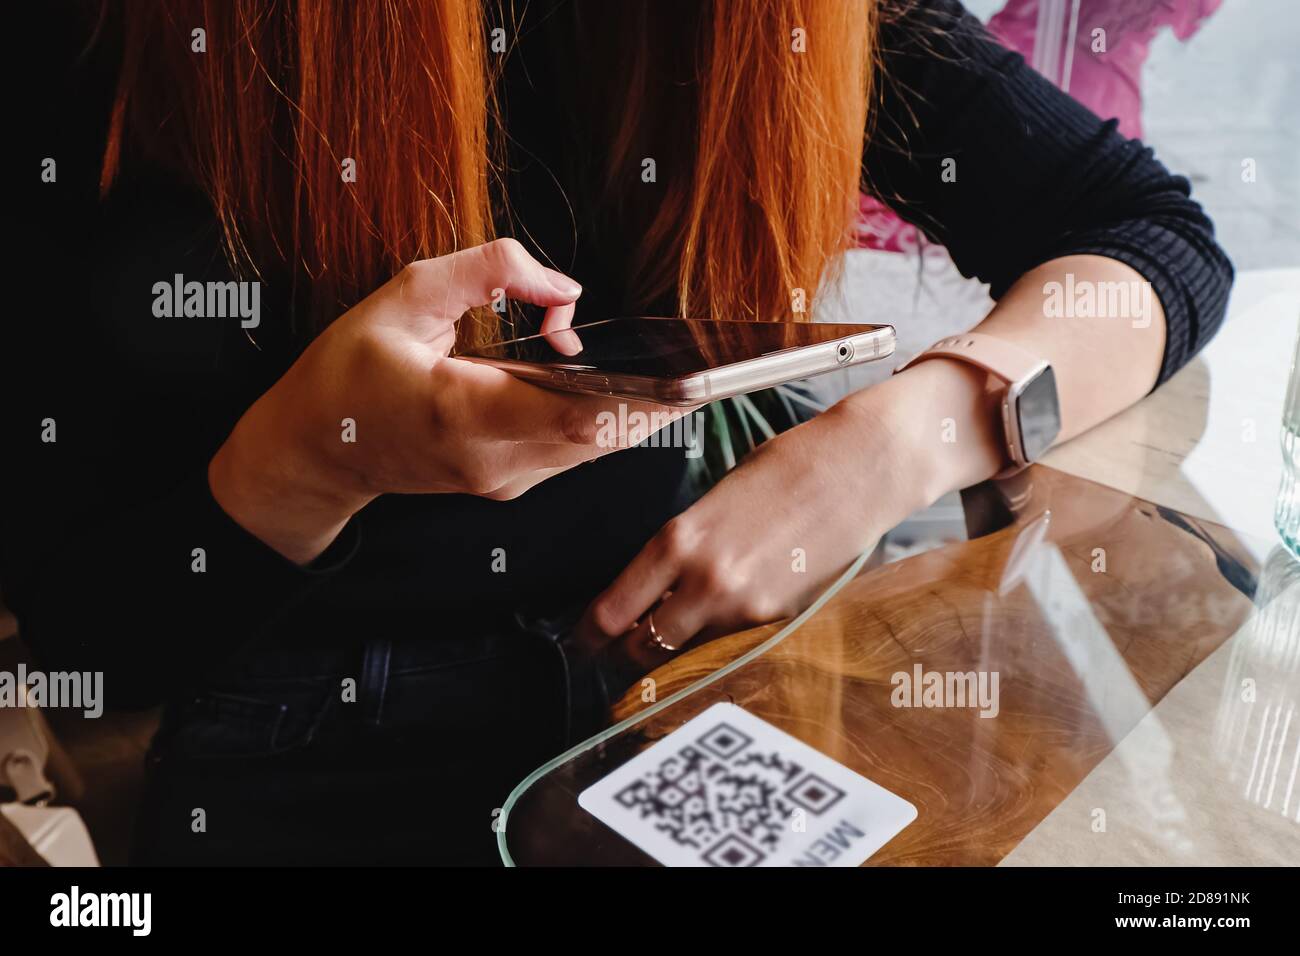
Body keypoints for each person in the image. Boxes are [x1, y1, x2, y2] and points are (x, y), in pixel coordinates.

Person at [6, 0, 1231, 864]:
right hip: (305, 724)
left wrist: (885, 442)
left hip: (714, 669)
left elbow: (1146, 239)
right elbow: (88, 652)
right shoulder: (109, 48)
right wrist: (315, 458)